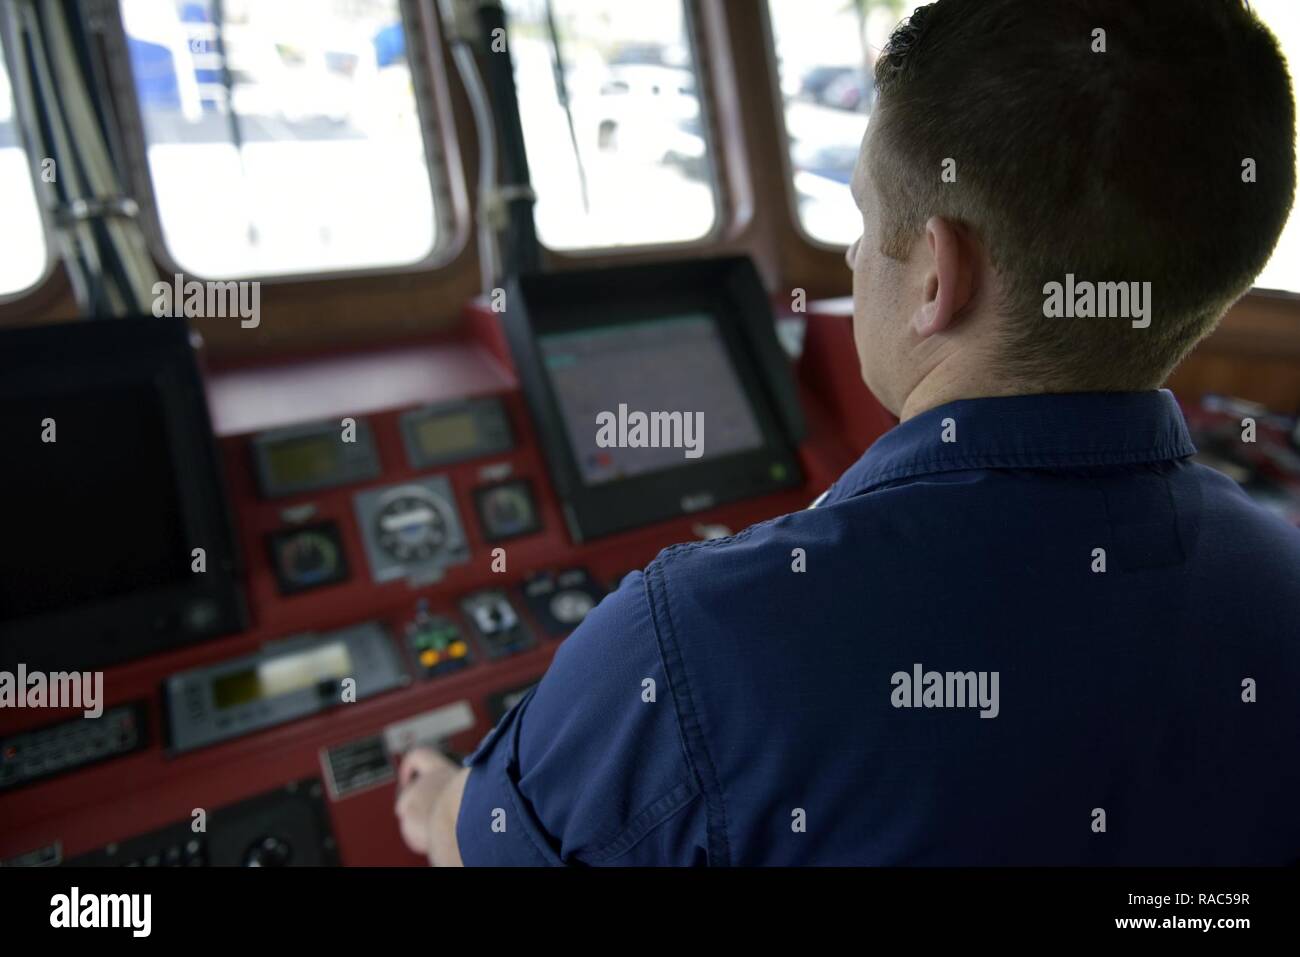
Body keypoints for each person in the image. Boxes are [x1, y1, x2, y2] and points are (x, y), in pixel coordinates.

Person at [395, 0, 1299, 865]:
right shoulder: (1278, 573)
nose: (856, 257)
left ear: (939, 277)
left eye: (864, 222)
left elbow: (484, 844)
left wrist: (438, 795)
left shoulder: (699, 645)